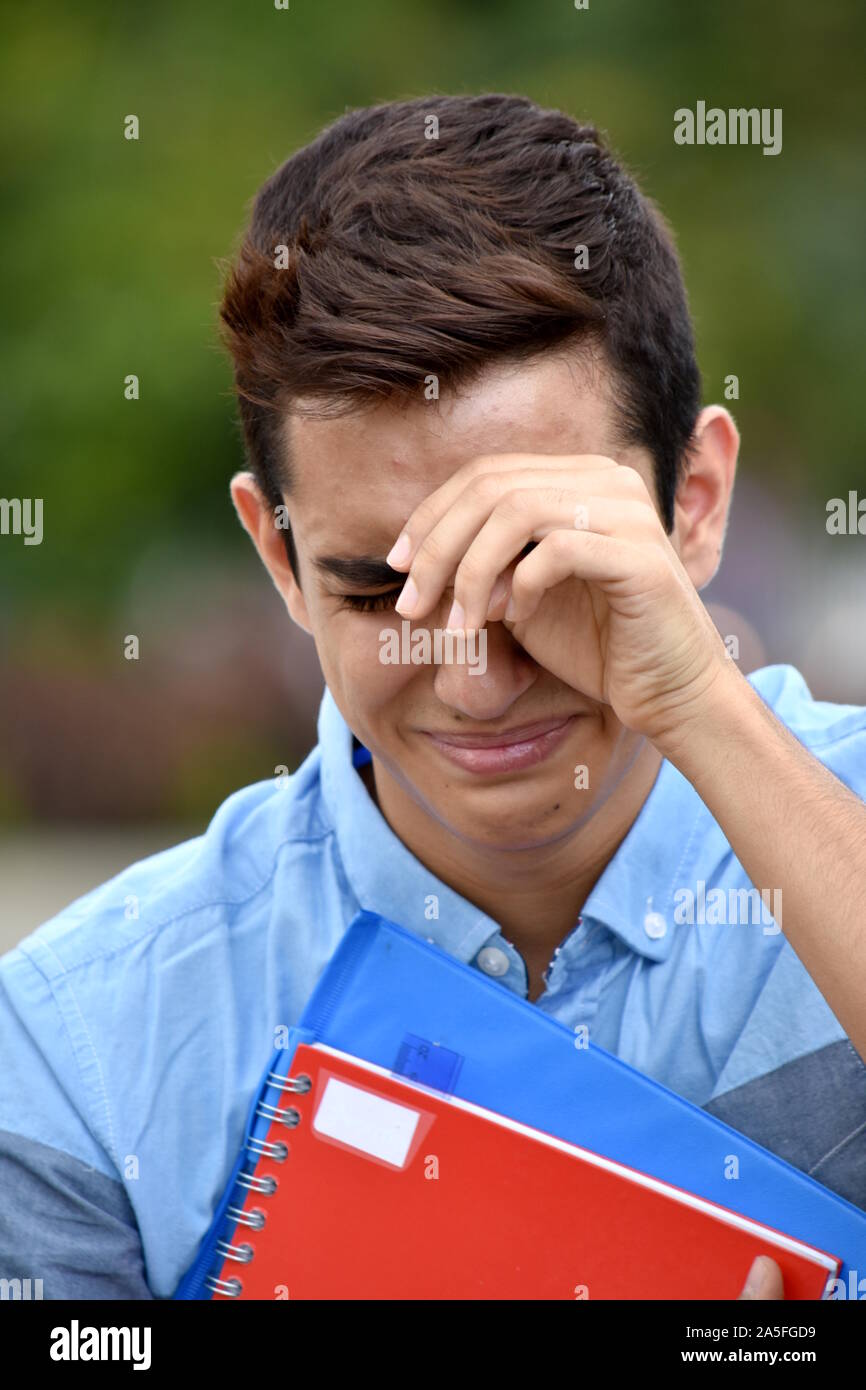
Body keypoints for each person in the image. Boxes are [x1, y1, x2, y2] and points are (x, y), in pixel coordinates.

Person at [2, 94, 865, 1302]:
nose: (472, 679)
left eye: (545, 572)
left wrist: (699, 703)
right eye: (381, 595)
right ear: (278, 559)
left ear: (695, 503)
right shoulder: (78, 1045)